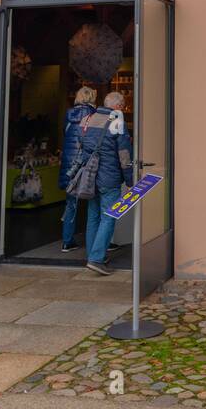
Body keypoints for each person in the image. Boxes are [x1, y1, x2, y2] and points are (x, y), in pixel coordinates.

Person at [80, 91, 133, 275]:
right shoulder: (117, 121)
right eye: (123, 106)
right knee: (109, 216)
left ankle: (93, 255)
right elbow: (124, 155)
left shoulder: (87, 118)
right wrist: (130, 179)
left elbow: (81, 145)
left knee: (93, 216)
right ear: (118, 106)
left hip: (90, 177)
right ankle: (96, 259)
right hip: (109, 177)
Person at [56, 86, 97, 253]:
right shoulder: (94, 116)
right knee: (94, 202)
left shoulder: (68, 115)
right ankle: (95, 242)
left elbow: (66, 137)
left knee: (71, 203)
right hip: (86, 163)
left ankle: (67, 241)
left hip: (70, 164)